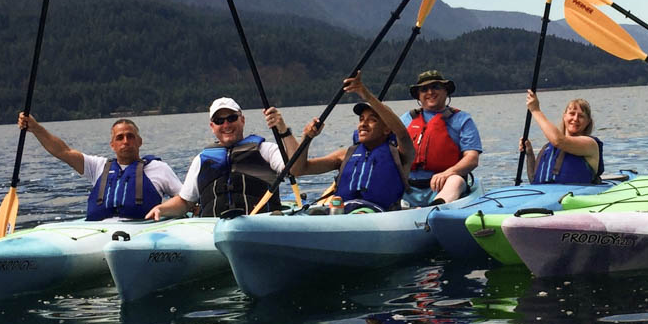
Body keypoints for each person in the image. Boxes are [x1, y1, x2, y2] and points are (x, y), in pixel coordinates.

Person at [278, 73, 416, 211]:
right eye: (361, 119)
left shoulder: (401, 155)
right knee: (315, 211)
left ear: (387, 129)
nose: (363, 124)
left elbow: (402, 134)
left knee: (360, 213)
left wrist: (366, 95)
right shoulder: (345, 155)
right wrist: (307, 138)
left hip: (376, 213)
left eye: (372, 120)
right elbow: (298, 169)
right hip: (342, 211)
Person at [17, 113, 182, 220]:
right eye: (120, 137)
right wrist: (36, 128)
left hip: (142, 229)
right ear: (112, 145)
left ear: (139, 141)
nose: (126, 141)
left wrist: (163, 208)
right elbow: (63, 152)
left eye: (130, 136)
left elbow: (185, 200)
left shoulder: (158, 168)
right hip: (99, 232)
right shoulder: (98, 167)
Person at [147, 97, 289, 219]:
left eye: (232, 118)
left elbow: (294, 168)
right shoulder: (201, 160)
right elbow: (185, 202)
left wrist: (283, 130)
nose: (226, 125)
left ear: (242, 120)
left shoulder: (266, 150)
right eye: (219, 121)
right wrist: (161, 209)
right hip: (212, 229)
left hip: (261, 225)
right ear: (212, 126)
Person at [399, 70, 481, 204]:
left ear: (446, 91)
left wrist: (448, 172)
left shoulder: (462, 119)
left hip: (444, 186)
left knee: (456, 180)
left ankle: (436, 208)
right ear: (418, 96)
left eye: (436, 87)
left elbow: (472, 158)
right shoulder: (406, 120)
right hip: (409, 187)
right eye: (424, 89)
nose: (430, 92)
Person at [520, 90, 603, 184]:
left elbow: (559, 140)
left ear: (588, 121)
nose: (575, 119)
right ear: (564, 117)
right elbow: (533, 180)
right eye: (572, 114)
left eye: (581, 116)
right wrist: (529, 153)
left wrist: (535, 110)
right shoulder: (548, 148)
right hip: (545, 195)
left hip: (574, 194)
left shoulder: (590, 144)